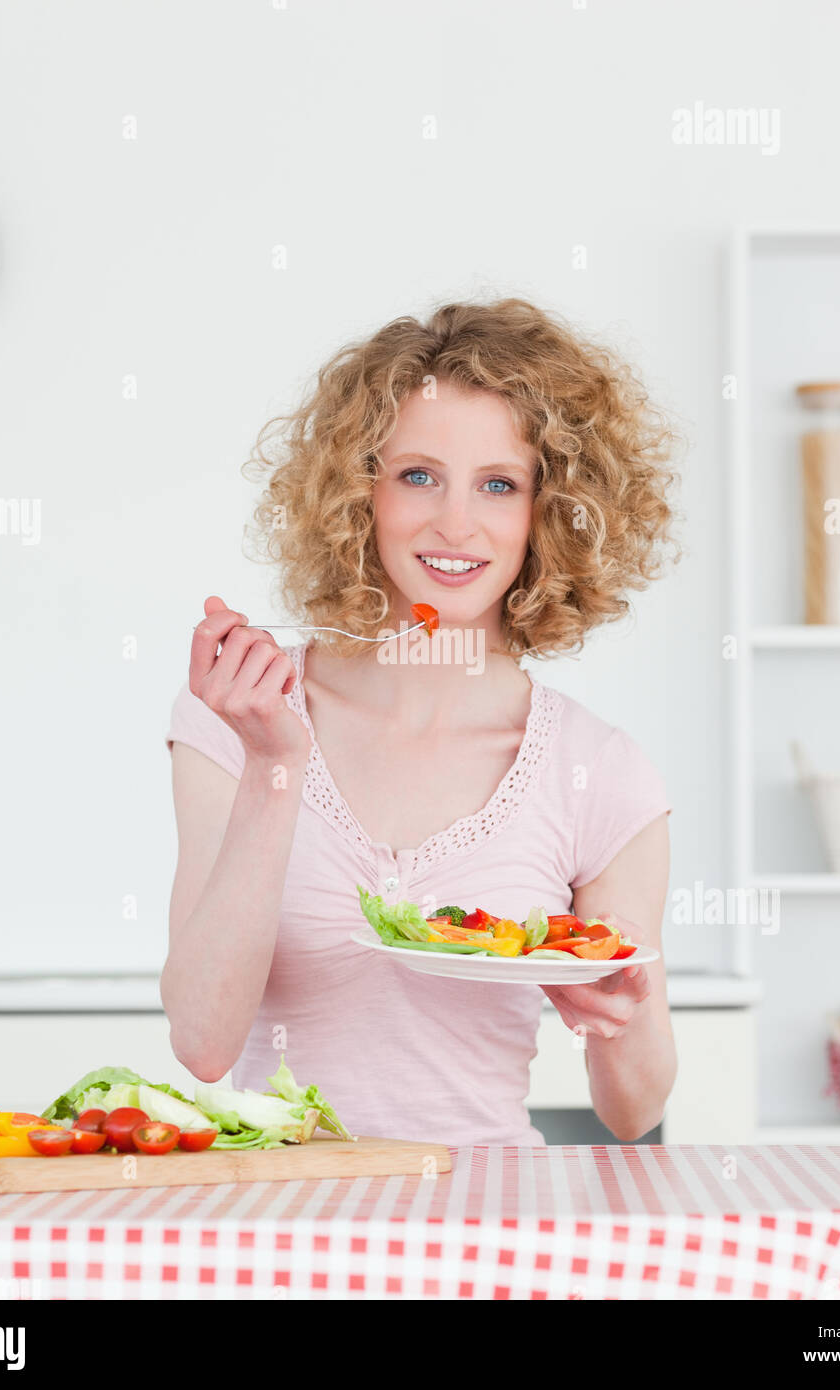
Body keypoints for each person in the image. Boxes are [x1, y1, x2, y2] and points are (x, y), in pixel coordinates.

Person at [161, 297, 681, 1146]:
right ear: (356, 492)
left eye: (499, 485)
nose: (455, 522)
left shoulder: (600, 771)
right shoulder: (239, 717)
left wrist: (620, 1006)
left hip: (488, 1234)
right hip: (278, 1226)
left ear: (548, 516)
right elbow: (203, 1043)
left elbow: (636, 1111)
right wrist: (274, 764)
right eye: (417, 475)